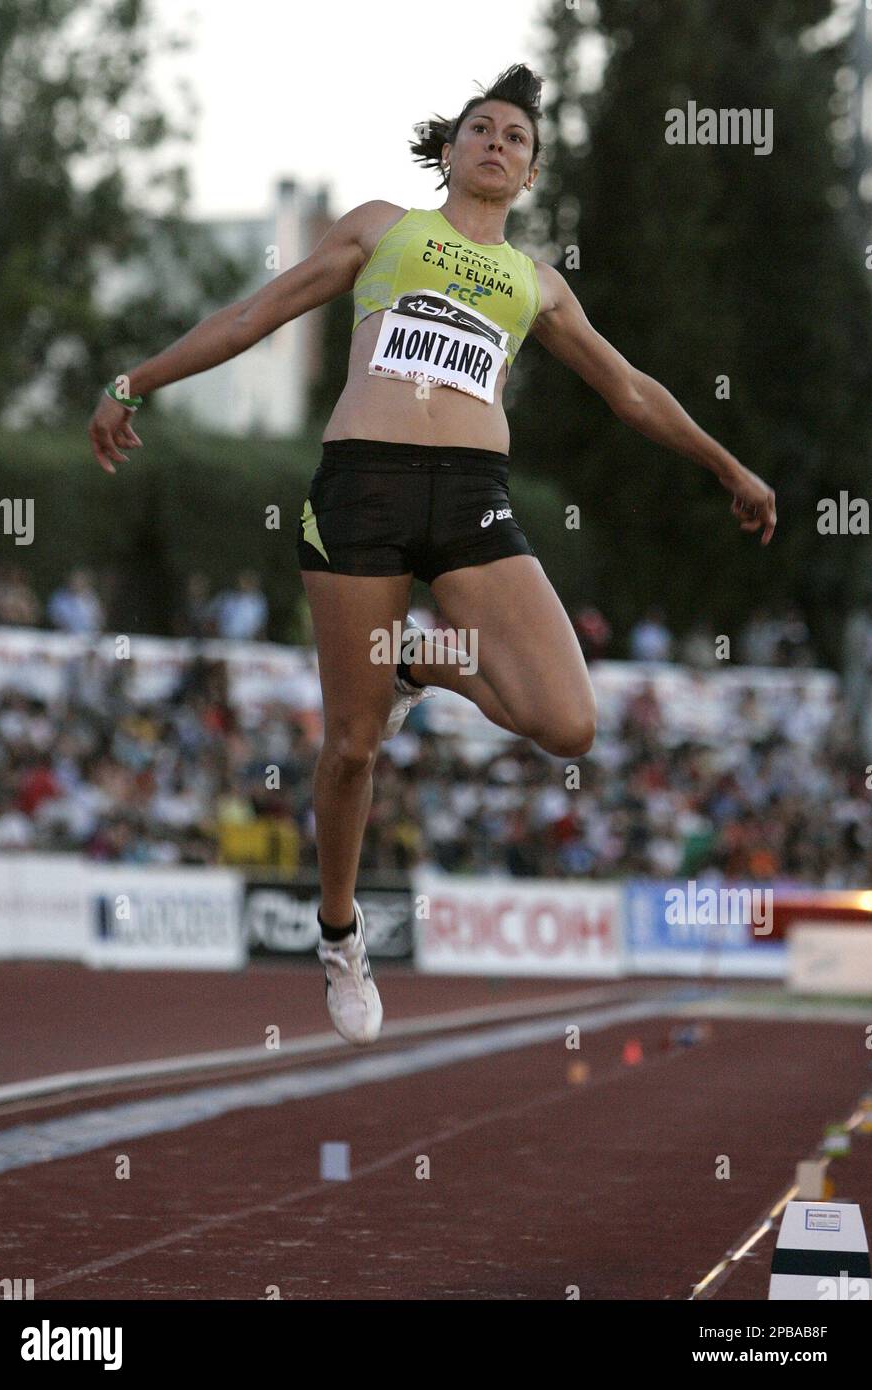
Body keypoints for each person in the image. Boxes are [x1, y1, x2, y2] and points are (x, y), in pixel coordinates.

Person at [87, 62, 777, 1047]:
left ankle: (418, 659)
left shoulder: (536, 283)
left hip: (470, 502)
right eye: (481, 129)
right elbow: (255, 314)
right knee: (353, 746)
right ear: (448, 151)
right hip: (359, 490)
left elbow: (629, 389)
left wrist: (727, 466)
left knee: (568, 721)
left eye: (516, 138)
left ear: (529, 176)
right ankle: (338, 933)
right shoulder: (382, 228)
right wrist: (134, 381)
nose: (498, 142)